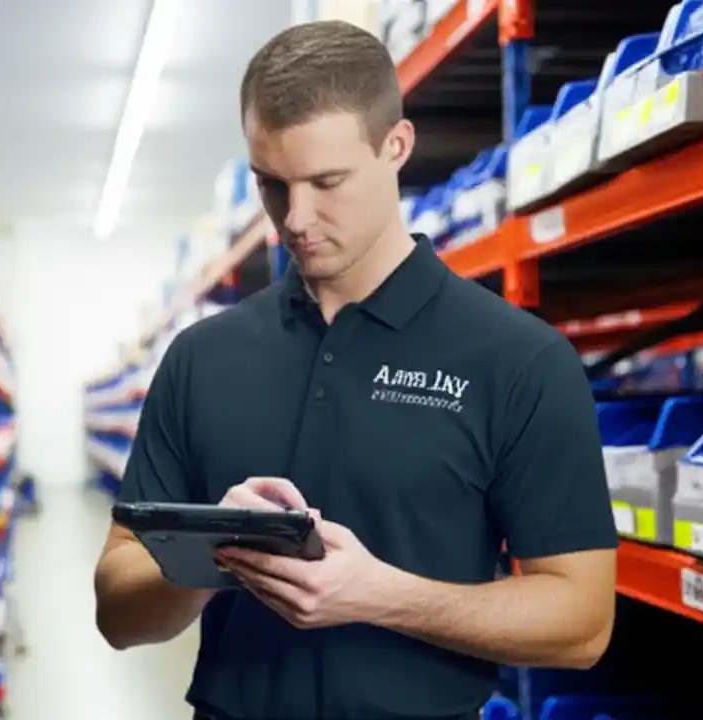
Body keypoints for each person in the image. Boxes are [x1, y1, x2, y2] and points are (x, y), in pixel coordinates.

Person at [93, 19, 618, 720]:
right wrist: (212, 554)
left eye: (327, 181)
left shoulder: (518, 359)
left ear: (396, 147)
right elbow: (118, 614)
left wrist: (376, 594)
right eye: (271, 183)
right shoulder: (201, 358)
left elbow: (583, 622)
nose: (296, 218)